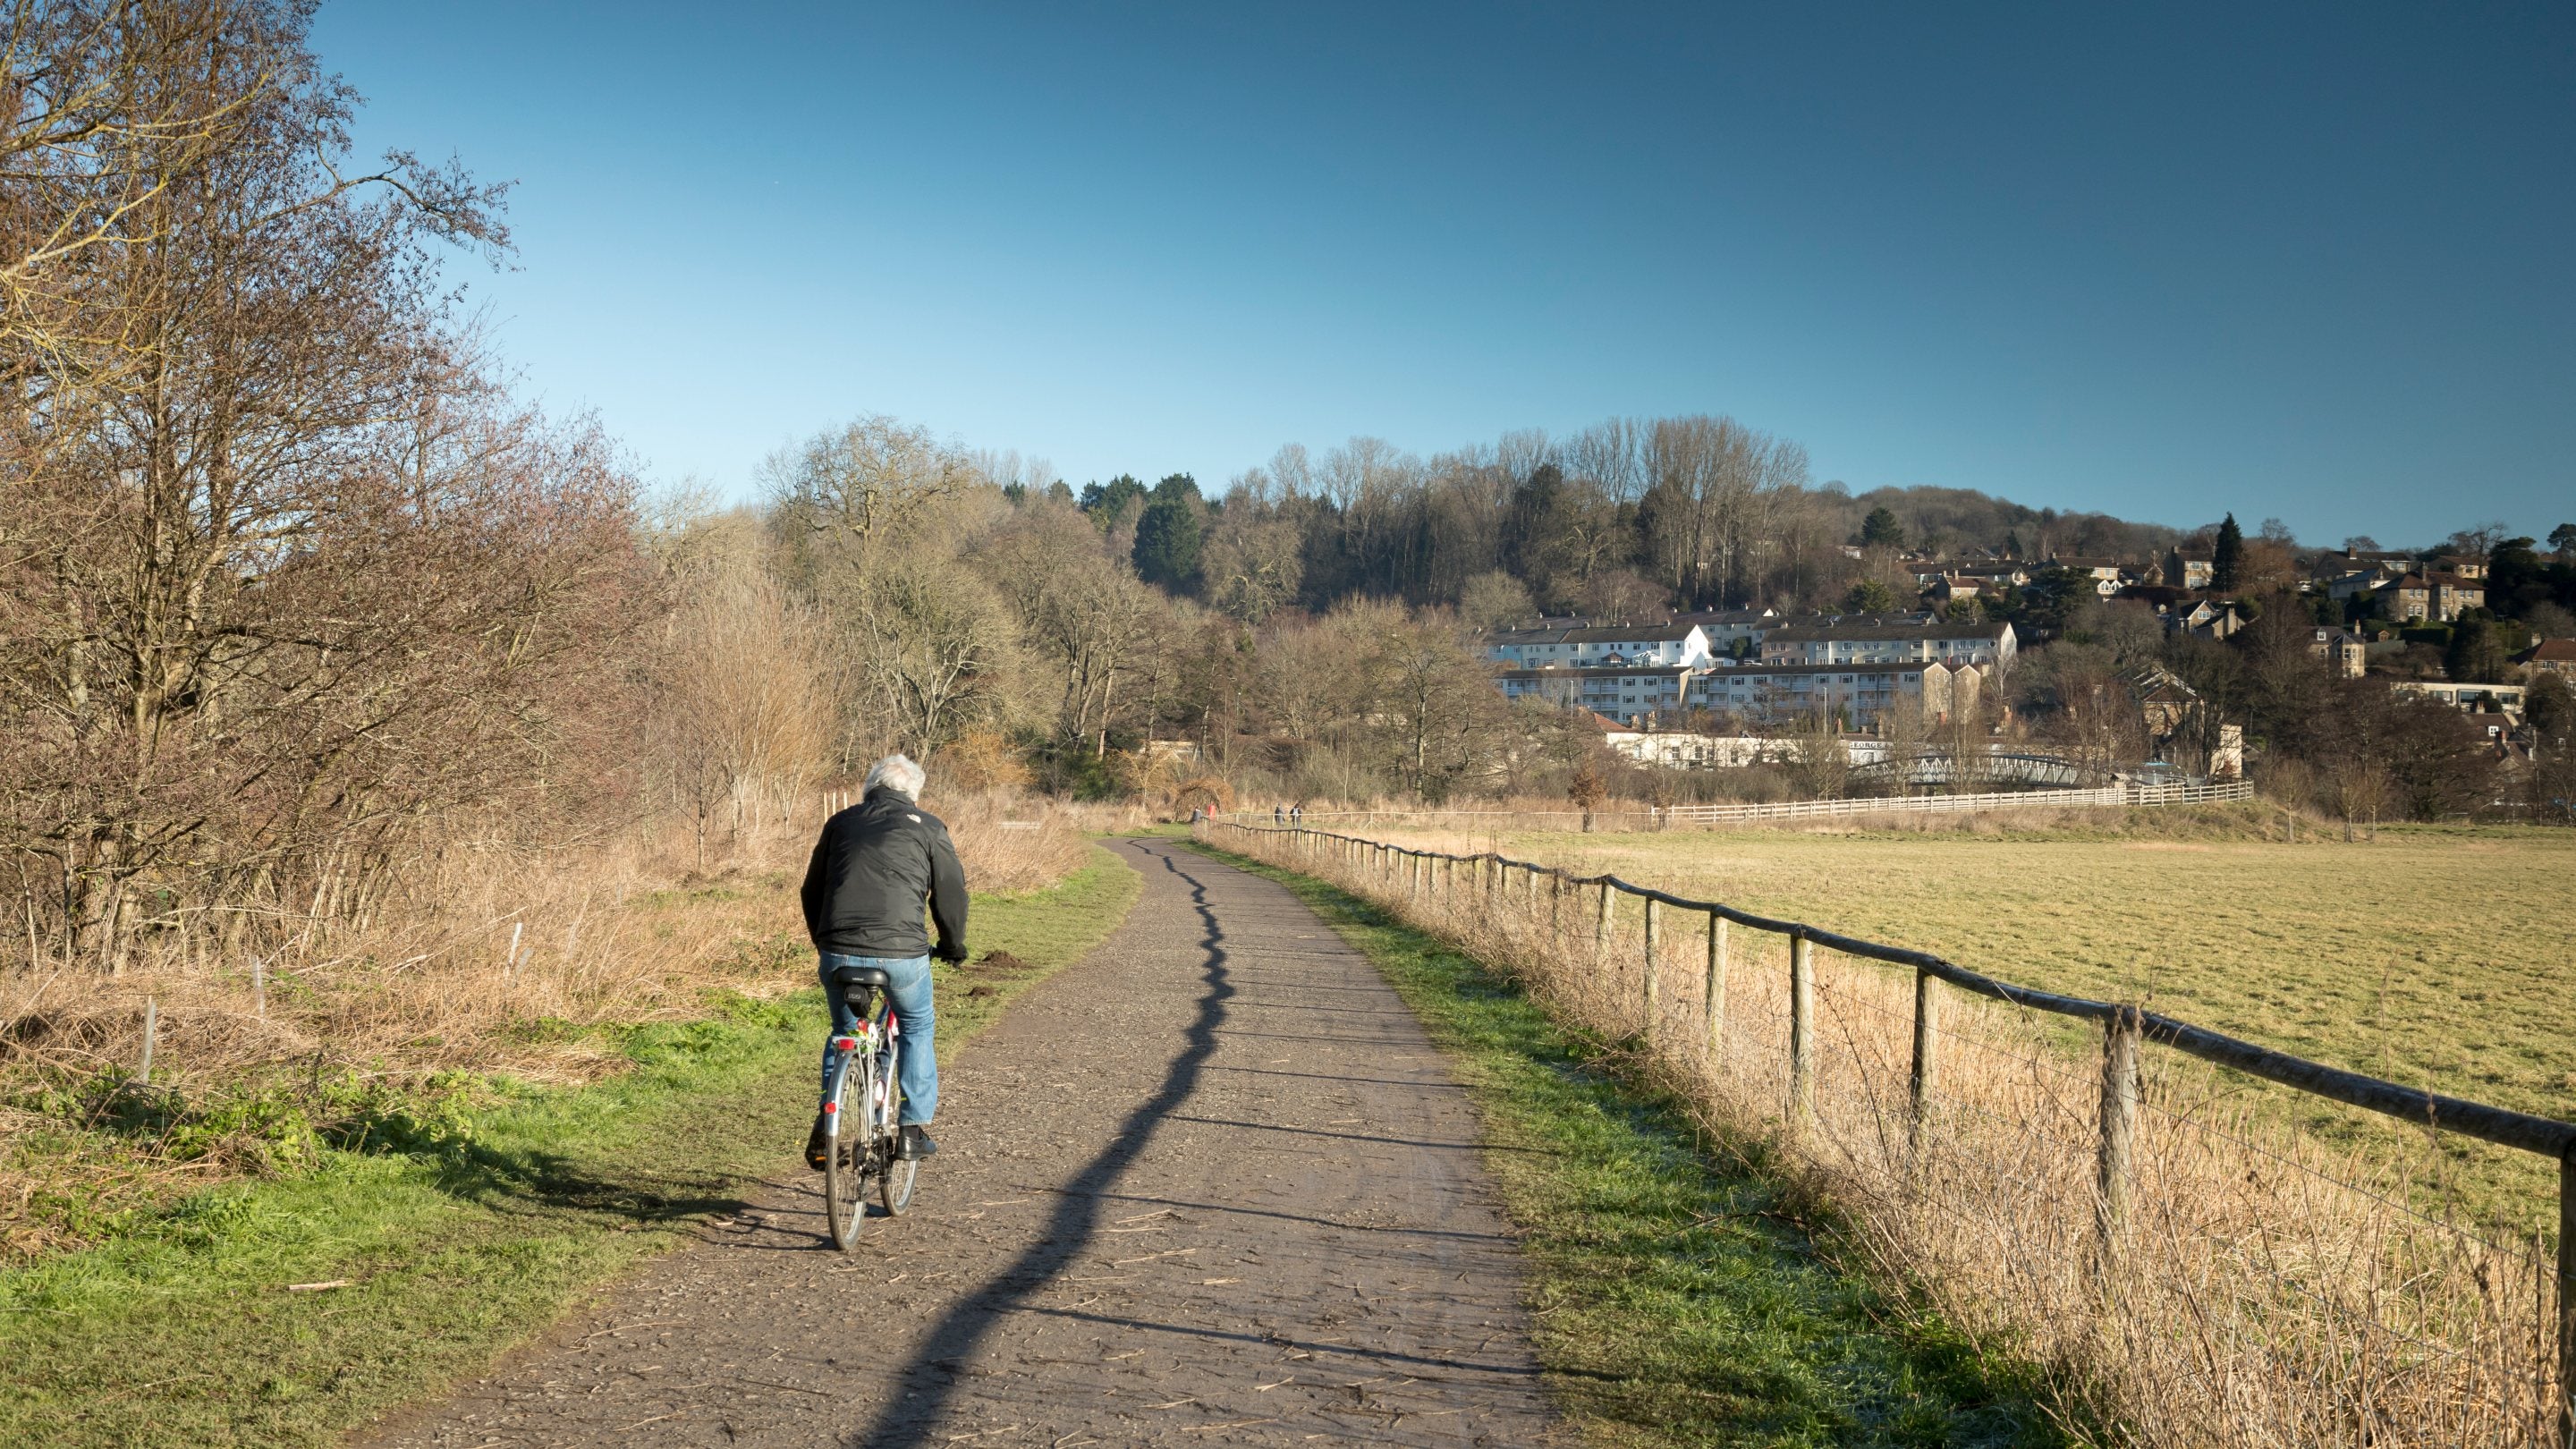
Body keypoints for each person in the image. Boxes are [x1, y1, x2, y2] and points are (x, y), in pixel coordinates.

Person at [800, 753, 965, 1166]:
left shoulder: (839, 823)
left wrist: (825, 943)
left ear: (870, 788)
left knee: (845, 1031)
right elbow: (950, 894)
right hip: (902, 955)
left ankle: (826, 1128)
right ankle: (912, 1130)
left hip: (838, 950)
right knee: (916, 1025)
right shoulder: (928, 826)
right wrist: (952, 946)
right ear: (913, 794)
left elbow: (811, 890)